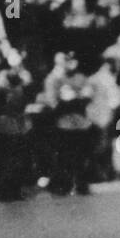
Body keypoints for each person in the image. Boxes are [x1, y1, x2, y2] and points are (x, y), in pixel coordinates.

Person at [44, 52, 96, 195]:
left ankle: (82, 183)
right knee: (64, 157)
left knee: (82, 155)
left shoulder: (80, 77)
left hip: (80, 122)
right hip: (63, 123)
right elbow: (52, 102)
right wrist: (71, 99)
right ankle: (62, 185)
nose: (68, 64)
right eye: (64, 62)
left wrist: (76, 98)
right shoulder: (53, 79)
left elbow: (89, 94)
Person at [0, 49, 34, 201]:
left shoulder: (17, 86)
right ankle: (6, 191)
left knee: (13, 160)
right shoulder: (2, 88)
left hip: (13, 128)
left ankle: (12, 190)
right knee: (8, 160)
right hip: (9, 127)